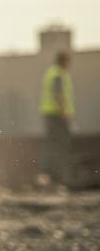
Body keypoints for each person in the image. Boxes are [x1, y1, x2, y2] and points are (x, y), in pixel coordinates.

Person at [38, 51, 75, 187]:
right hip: (56, 115)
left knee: (53, 144)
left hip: (51, 114)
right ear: (63, 61)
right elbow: (58, 94)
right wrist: (64, 112)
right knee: (58, 145)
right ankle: (54, 177)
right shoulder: (57, 74)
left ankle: (47, 176)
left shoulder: (52, 73)